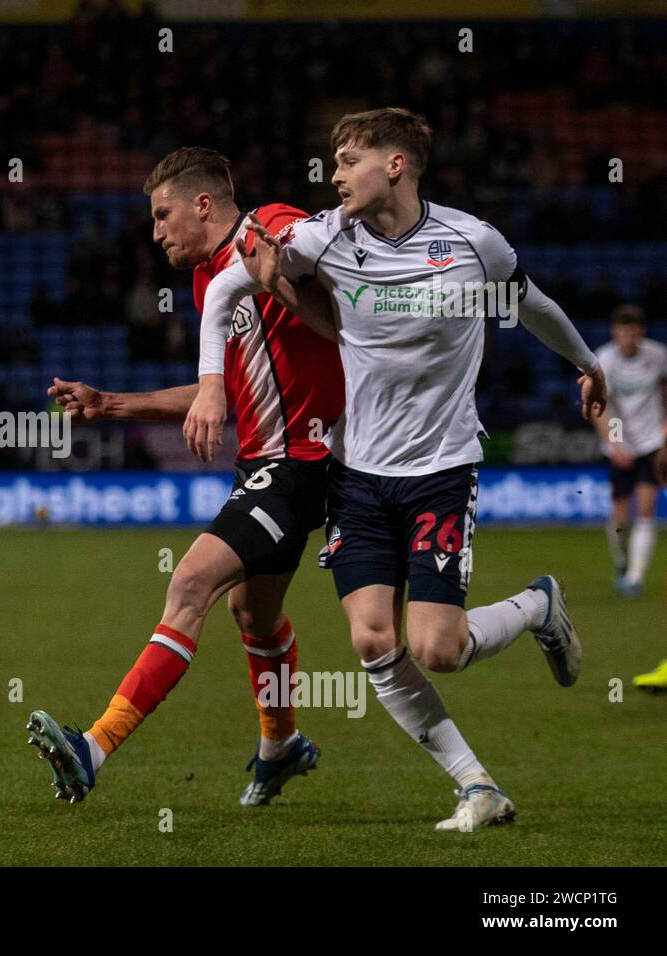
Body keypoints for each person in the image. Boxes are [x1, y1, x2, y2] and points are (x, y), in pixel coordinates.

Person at [197, 108, 607, 831]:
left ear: (396, 165)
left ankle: (539, 605)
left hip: (441, 471)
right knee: (371, 641)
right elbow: (232, 285)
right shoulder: (324, 236)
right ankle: (477, 786)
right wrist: (209, 381)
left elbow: (533, 306)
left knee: (437, 650)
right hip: (355, 476)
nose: (334, 173)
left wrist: (588, 364)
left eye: (349, 158)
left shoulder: (473, 243)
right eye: (332, 159)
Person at [28, 147, 343, 806]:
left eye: (162, 213)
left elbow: (327, 267)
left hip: (304, 463)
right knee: (253, 615)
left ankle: (94, 746)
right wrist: (112, 403)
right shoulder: (210, 279)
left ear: (204, 204)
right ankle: (280, 744)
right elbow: (221, 390)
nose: (155, 231)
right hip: (264, 465)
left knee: (192, 580)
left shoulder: (269, 229)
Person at [591, 304, 667, 598]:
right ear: (614, 332)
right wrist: (615, 443)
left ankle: (635, 577)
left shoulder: (658, 355)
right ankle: (622, 562)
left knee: (647, 508)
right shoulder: (604, 359)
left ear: (641, 332)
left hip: (651, 440)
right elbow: (599, 407)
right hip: (620, 437)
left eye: (633, 331)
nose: (628, 337)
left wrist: (663, 439)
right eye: (622, 331)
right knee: (620, 517)